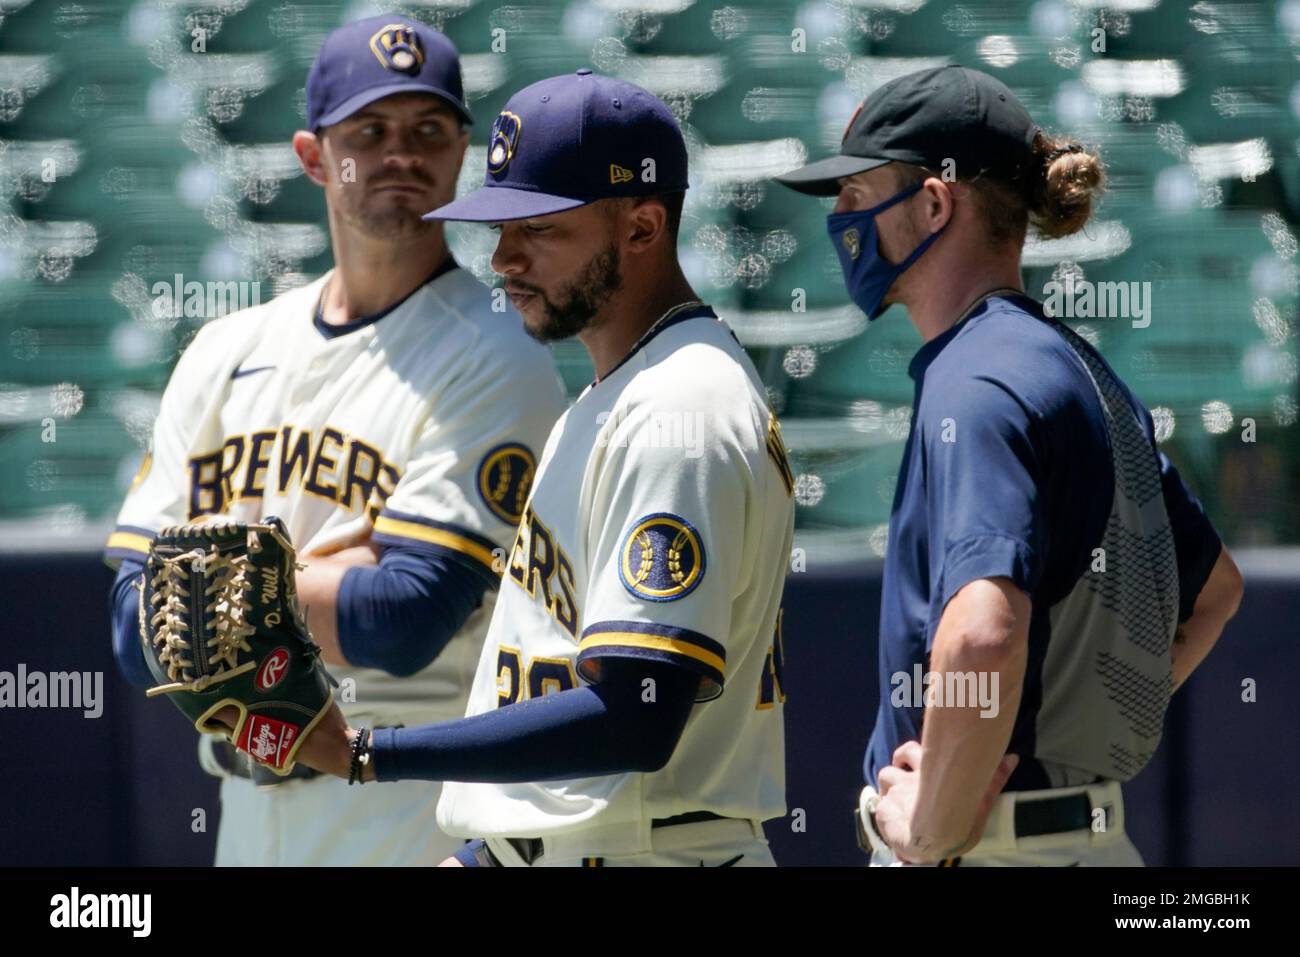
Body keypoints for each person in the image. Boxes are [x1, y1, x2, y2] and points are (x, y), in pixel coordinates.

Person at [290, 69, 797, 868]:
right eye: (498, 226)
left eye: (539, 227)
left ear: (641, 225)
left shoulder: (678, 407)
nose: (503, 257)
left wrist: (369, 751)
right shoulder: (618, 391)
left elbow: (637, 716)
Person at [104, 15, 566, 866]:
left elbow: (403, 617)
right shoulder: (225, 353)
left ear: (462, 151)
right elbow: (132, 630)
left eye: (429, 129)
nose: (403, 153)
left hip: (405, 813)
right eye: (371, 131)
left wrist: (226, 582)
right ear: (314, 156)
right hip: (245, 812)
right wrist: (321, 575)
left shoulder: (500, 351)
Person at [775, 64, 1244, 866]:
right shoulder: (1078, 367)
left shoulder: (978, 378)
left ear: (933, 202)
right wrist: (1080, 728)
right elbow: (1216, 590)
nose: (842, 217)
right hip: (1086, 839)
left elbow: (985, 636)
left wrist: (931, 829)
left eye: (859, 192)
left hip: (990, 851)